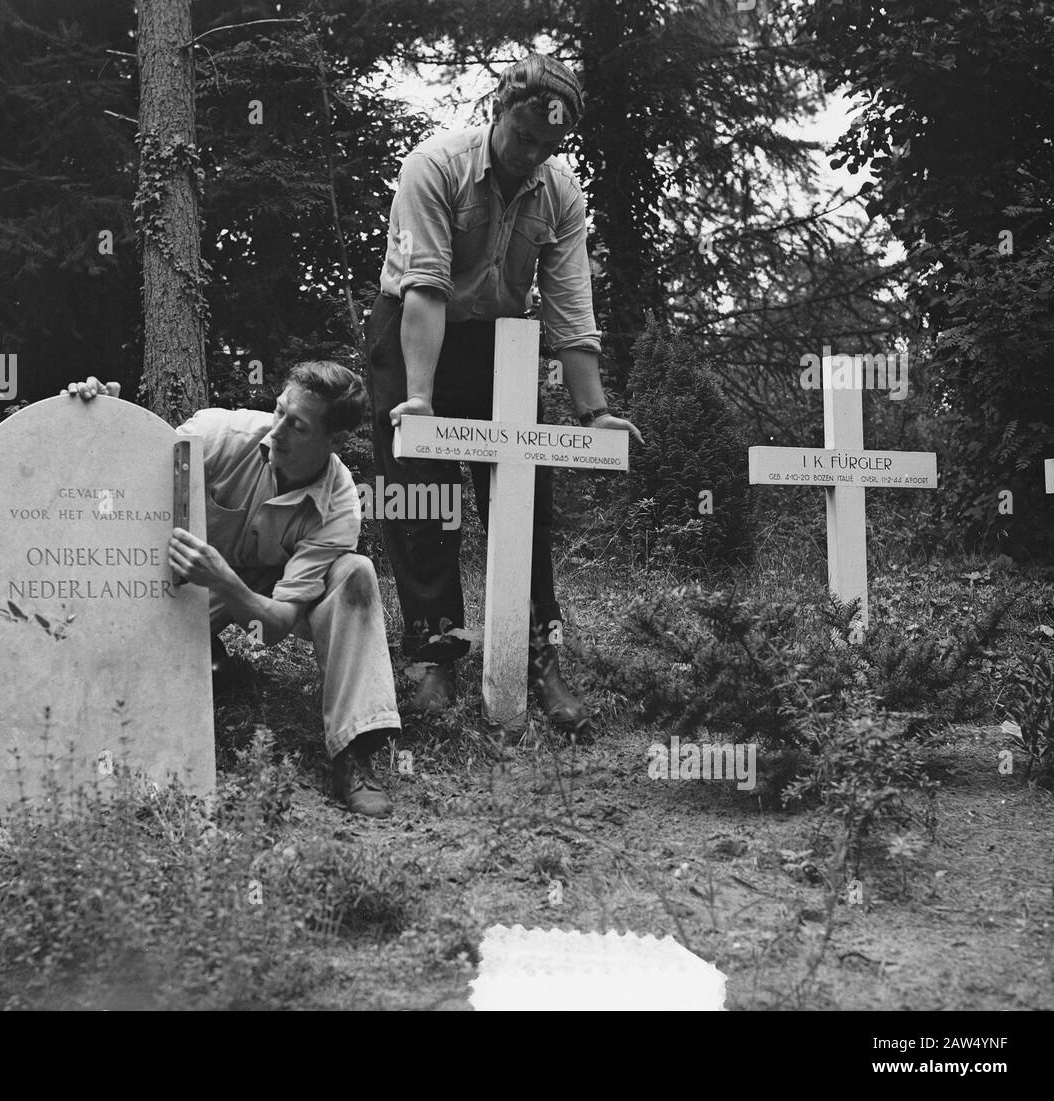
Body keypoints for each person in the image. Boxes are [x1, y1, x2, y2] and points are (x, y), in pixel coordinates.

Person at [366, 53, 644, 730]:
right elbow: (426, 287)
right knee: (421, 496)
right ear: (496, 110)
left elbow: (571, 309)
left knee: (525, 499)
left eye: (549, 147)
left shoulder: (561, 192)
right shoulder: (432, 168)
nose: (533, 156)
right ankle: (435, 653)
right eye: (525, 139)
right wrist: (422, 400)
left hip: (500, 341)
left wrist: (597, 410)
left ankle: (537, 654)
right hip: (411, 331)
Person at [62, 365, 399, 818]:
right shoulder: (219, 434)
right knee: (120, 667)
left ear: (334, 440)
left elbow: (272, 628)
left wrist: (224, 579)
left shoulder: (339, 506)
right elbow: (126, 478)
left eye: (296, 425)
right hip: (181, 583)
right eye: (278, 411)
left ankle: (354, 748)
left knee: (355, 572)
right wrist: (110, 416)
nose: (276, 431)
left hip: (252, 593)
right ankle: (210, 659)